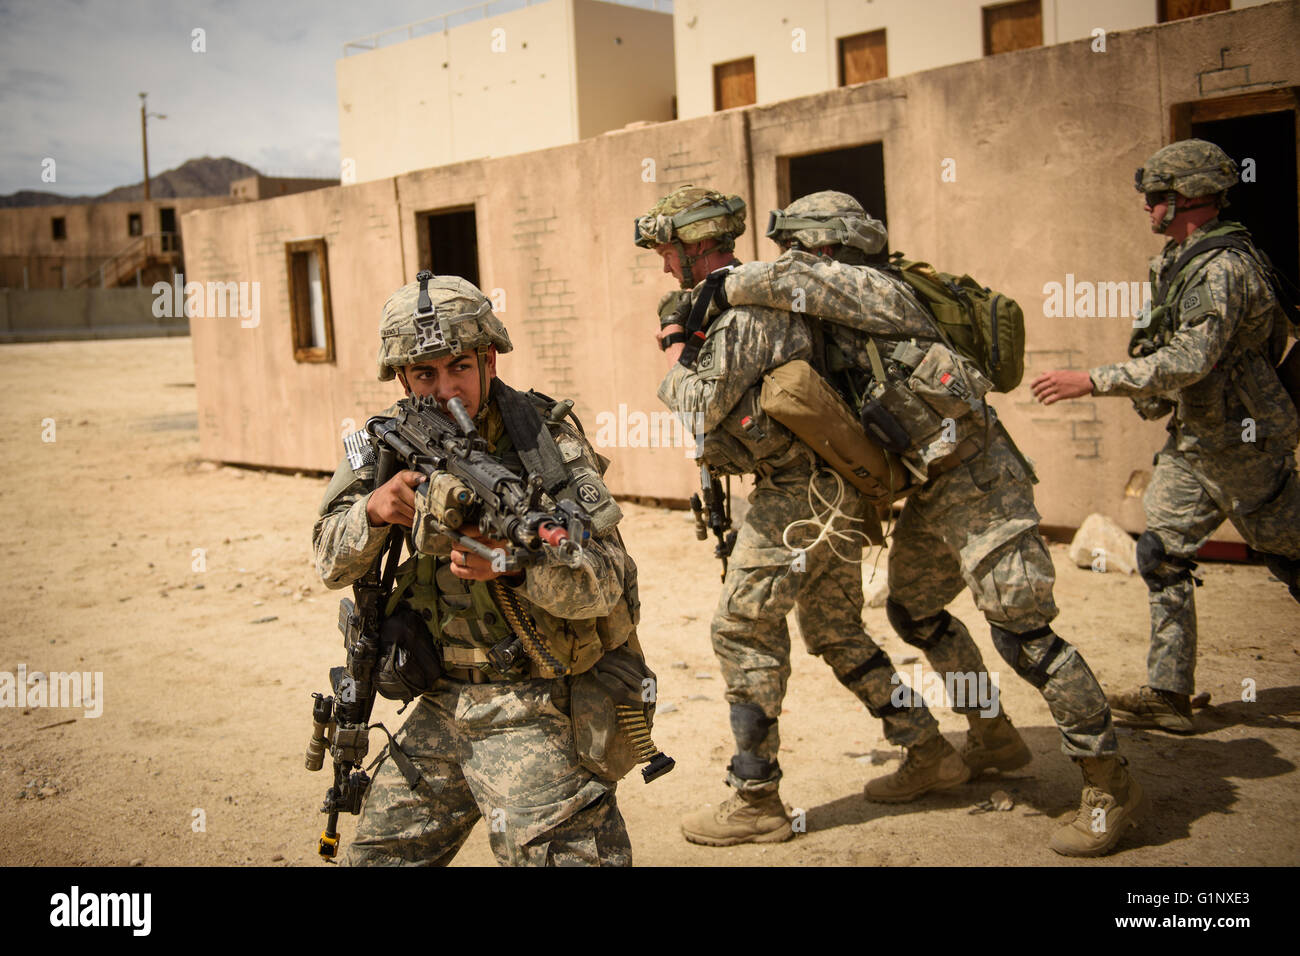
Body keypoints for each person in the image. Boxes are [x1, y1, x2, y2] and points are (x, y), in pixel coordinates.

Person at [714, 190, 1145, 856]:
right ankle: (993, 734)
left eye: (799, 246)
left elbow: (794, 279)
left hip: (982, 480)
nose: (790, 260)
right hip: (934, 490)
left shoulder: (875, 289)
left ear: (828, 248)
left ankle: (1106, 783)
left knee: (1026, 633)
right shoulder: (844, 311)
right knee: (914, 613)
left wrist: (720, 283)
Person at [637, 185, 972, 849]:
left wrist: (677, 354)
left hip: (799, 497)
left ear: (694, 243)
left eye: (666, 248)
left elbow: (699, 407)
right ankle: (929, 750)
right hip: (833, 492)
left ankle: (756, 797)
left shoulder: (744, 311)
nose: (662, 262)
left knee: (741, 626)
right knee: (832, 627)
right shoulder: (742, 298)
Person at [312, 271, 647, 866]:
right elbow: (327, 560)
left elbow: (606, 582)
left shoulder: (544, 443)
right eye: (424, 374)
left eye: (459, 367)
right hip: (439, 698)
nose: (445, 389)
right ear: (401, 376)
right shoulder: (388, 439)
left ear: (489, 359)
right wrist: (374, 510)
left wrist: (514, 567)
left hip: (532, 702)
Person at [1031, 138, 1300, 734]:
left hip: (1240, 441)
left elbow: (1191, 359)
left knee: (1290, 553)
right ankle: (1169, 694)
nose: (1148, 206)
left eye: (1157, 196)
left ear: (1190, 198)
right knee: (1161, 555)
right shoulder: (1179, 260)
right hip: (1195, 441)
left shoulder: (1223, 266)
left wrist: (1093, 381)